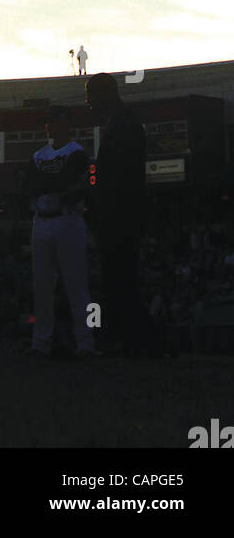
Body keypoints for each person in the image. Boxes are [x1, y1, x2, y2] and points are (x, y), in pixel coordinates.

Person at [85, 72, 159, 357]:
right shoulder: (122, 121)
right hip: (121, 216)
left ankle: (134, 339)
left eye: (91, 95)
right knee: (120, 279)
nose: (89, 102)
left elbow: (119, 178)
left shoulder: (123, 124)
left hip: (120, 217)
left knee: (120, 279)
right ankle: (132, 338)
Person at [23, 108, 94, 359]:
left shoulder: (77, 152)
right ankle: (40, 342)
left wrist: (47, 184)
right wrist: (51, 185)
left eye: (54, 121)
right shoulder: (38, 154)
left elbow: (70, 183)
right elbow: (29, 185)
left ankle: (85, 343)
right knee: (41, 286)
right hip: (42, 219)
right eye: (47, 122)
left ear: (67, 123)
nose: (49, 127)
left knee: (76, 285)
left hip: (68, 219)